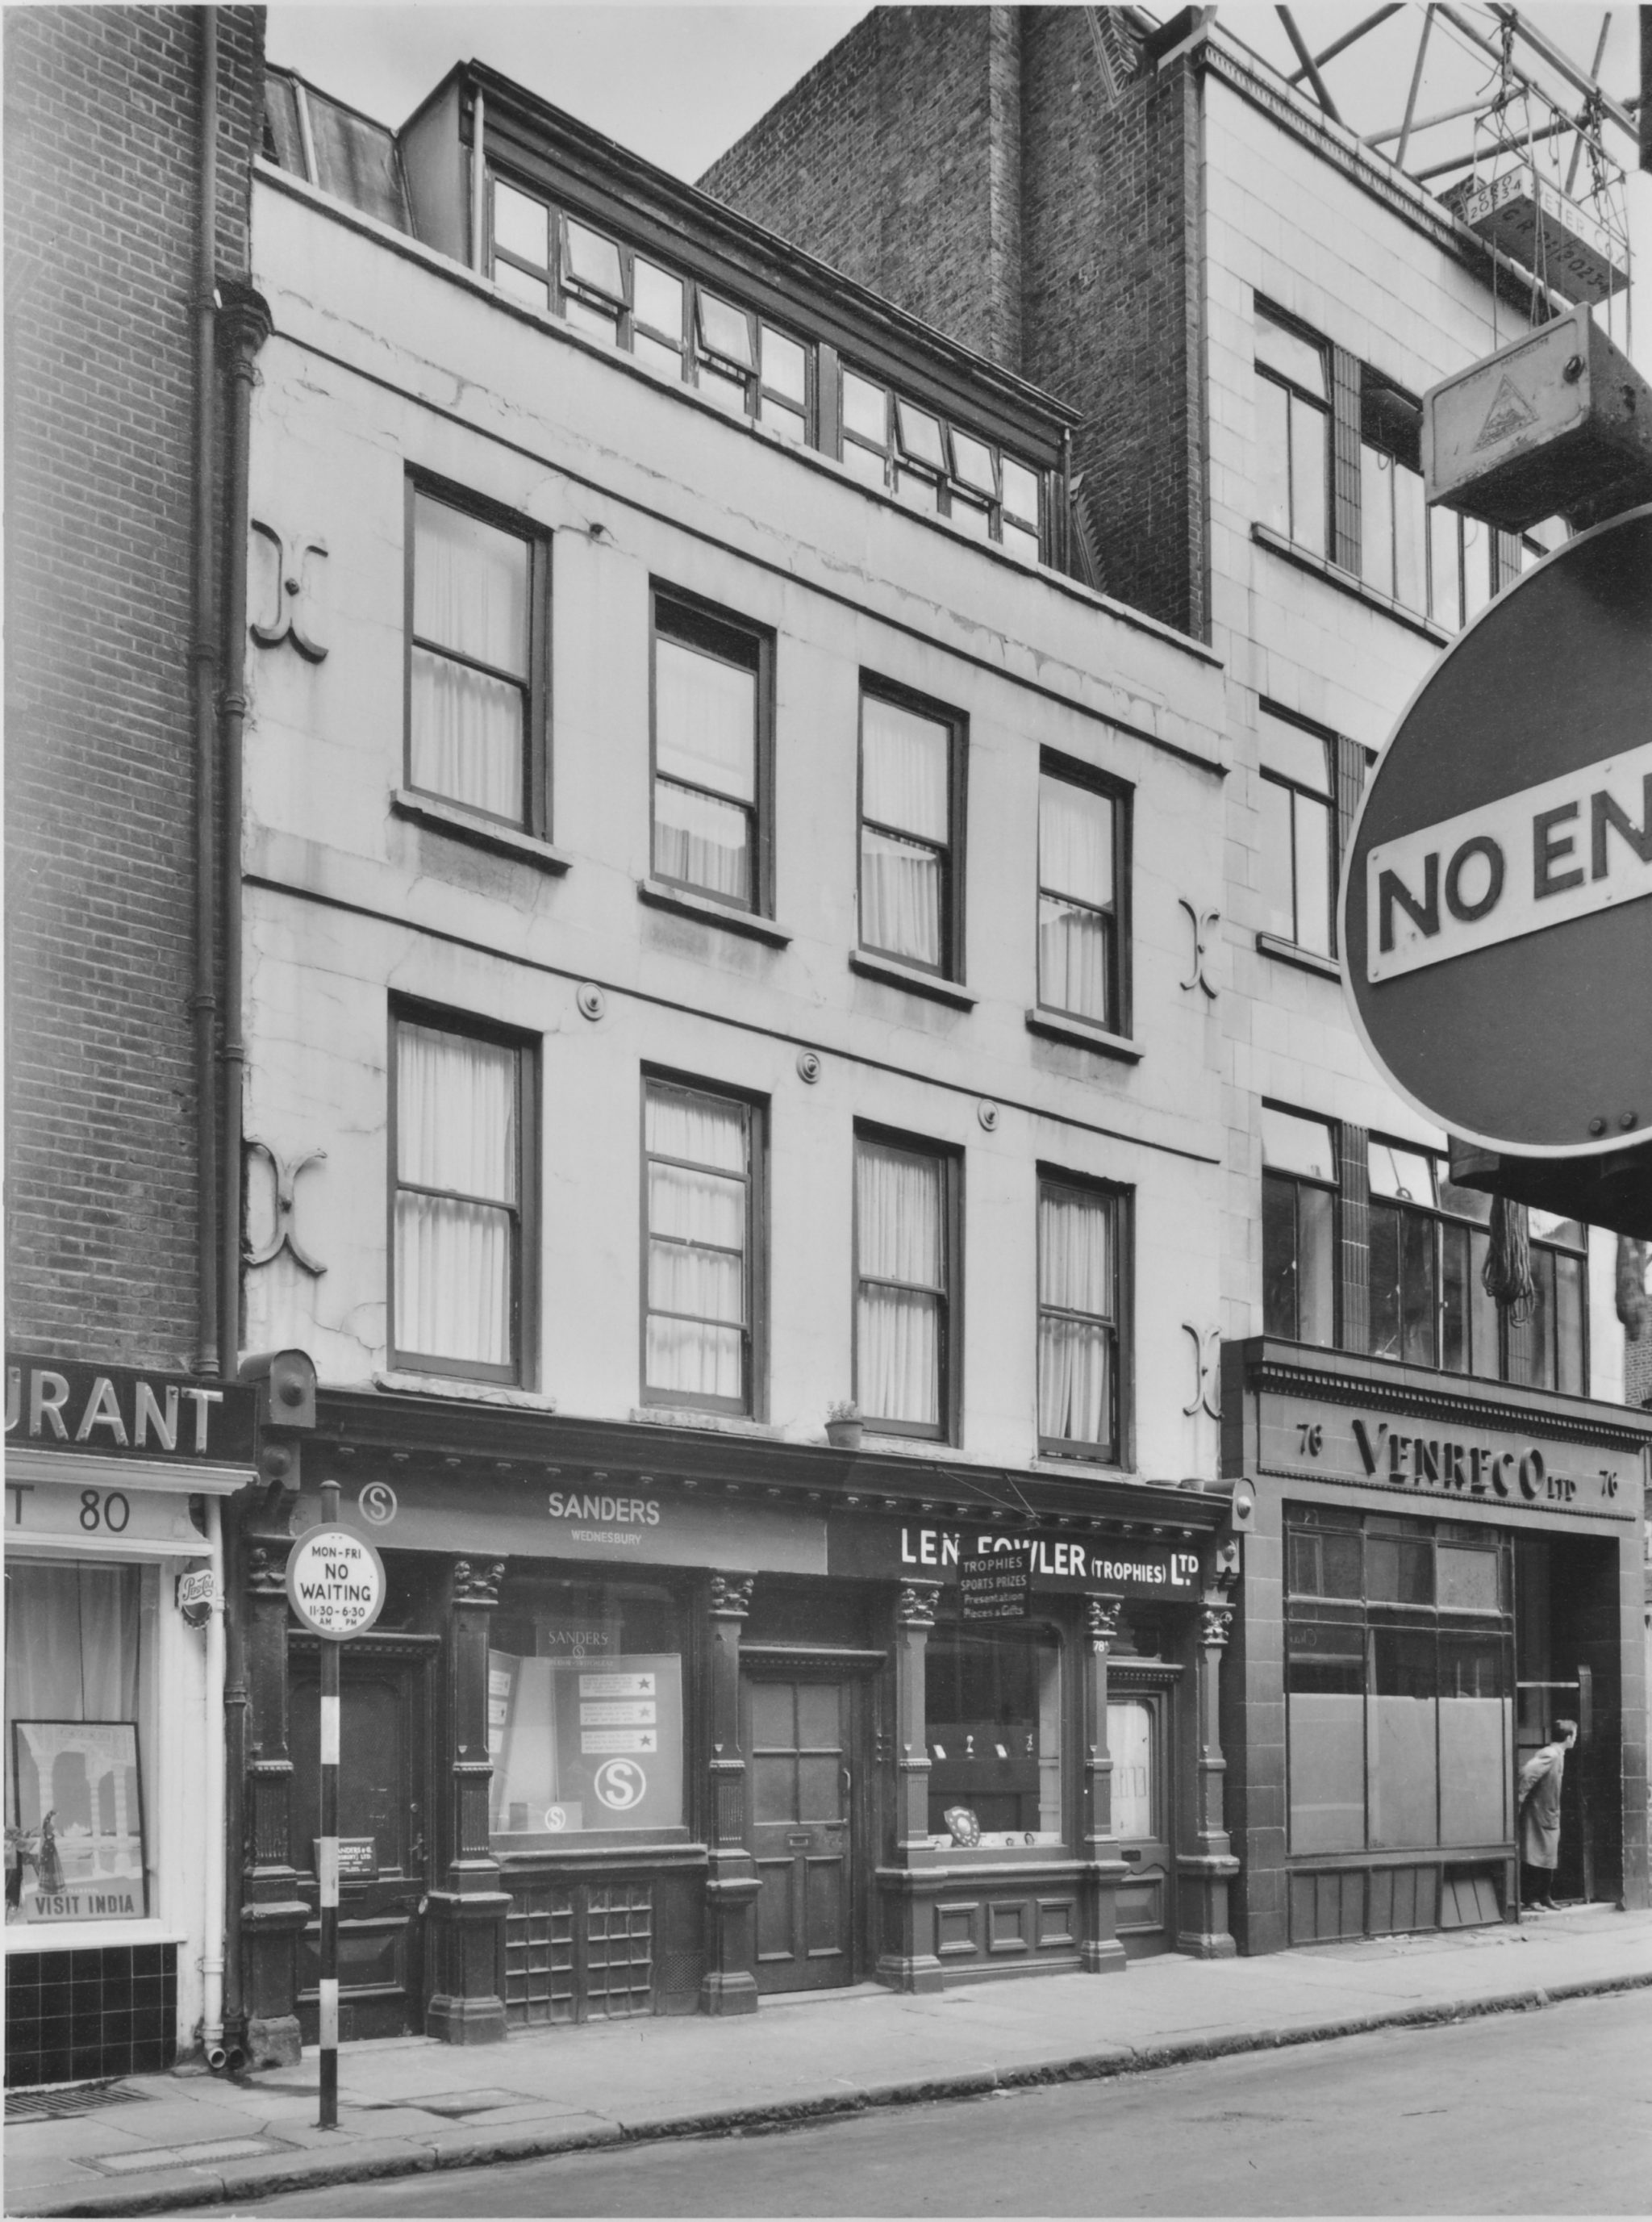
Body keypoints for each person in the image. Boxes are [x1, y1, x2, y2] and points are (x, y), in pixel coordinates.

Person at [1517, 1719, 1577, 1911]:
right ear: (1568, 1738)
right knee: (1536, 1855)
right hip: (1540, 1813)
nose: (1575, 1739)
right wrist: (1519, 1800)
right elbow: (1527, 1773)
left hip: (1547, 1813)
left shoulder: (1558, 1754)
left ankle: (1543, 1896)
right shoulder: (1551, 1754)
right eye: (1574, 1736)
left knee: (1547, 1855)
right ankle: (1531, 1897)